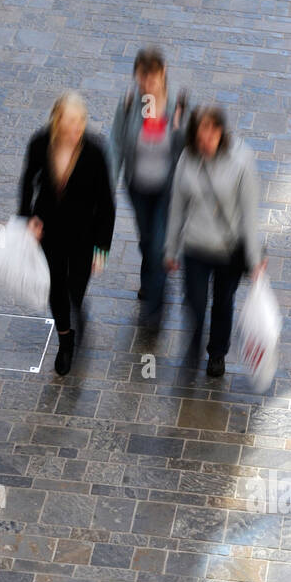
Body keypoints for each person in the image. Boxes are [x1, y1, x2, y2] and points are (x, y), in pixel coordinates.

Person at [164, 106, 266, 377]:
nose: (207, 138)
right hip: (195, 246)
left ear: (221, 131)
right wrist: (171, 248)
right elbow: (177, 205)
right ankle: (194, 344)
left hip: (228, 250)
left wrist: (255, 260)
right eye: (201, 132)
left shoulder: (241, 161)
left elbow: (249, 214)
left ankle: (217, 353)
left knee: (223, 303)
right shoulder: (187, 159)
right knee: (195, 303)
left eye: (212, 130)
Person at [18, 92, 115, 376]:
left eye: (81, 121)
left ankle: (76, 312)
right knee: (55, 289)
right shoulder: (40, 144)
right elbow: (27, 182)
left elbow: (106, 203)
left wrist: (102, 248)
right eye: (71, 121)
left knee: (75, 289)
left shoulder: (95, 152)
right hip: (49, 231)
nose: (77, 128)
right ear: (57, 120)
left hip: (83, 234)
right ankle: (65, 342)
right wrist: (28, 217)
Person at [108, 47, 187, 326]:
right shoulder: (131, 103)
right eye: (142, 79)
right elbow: (116, 144)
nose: (147, 86)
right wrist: (109, 184)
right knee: (146, 240)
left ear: (163, 74)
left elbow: (189, 148)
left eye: (152, 79)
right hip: (138, 186)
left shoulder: (178, 103)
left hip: (168, 188)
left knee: (158, 246)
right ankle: (150, 279)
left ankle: (154, 310)